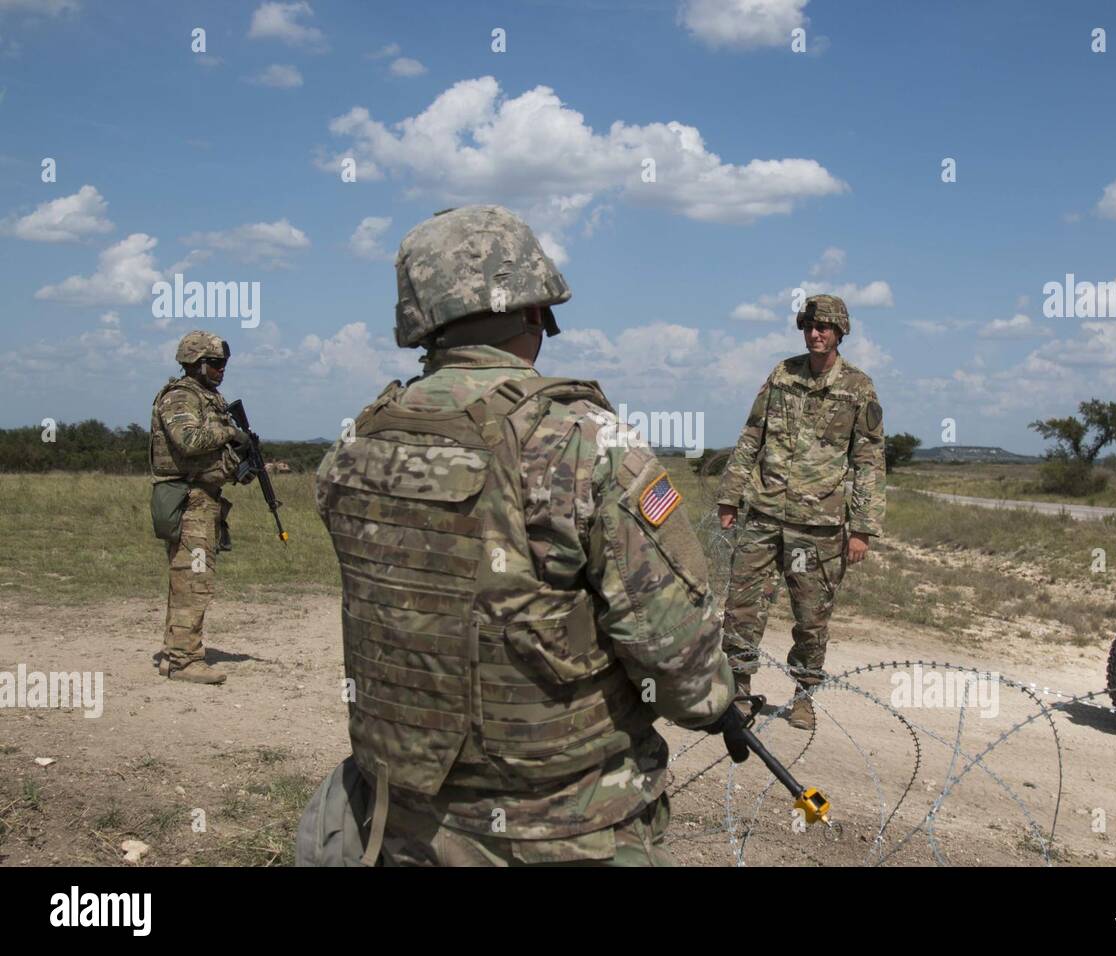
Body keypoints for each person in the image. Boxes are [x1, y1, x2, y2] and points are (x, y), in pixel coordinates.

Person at [305, 205, 736, 866]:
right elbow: (680, 660)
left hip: (395, 823)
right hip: (561, 833)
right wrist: (718, 707)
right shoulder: (586, 443)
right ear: (535, 312)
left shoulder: (358, 441)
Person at [715, 294, 885, 729]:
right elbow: (752, 434)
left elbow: (868, 461)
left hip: (818, 527)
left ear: (840, 332)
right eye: (809, 326)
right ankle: (739, 691)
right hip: (765, 514)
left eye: (824, 327)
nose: (816, 333)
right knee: (742, 606)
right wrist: (730, 495)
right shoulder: (781, 374)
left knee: (811, 615)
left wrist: (863, 527)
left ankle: (804, 694)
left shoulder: (858, 388)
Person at [149, 330, 250, 685]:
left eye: (224, 363)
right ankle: (184, 660)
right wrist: (229, 432)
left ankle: (173, 654)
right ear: (196, 363)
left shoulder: (208, 397)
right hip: (187, 499)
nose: (222, 369)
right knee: (193, 579)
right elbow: (189, 440)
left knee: (186, 579)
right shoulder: (180, 397)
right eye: (216, 363)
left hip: (201, 499)